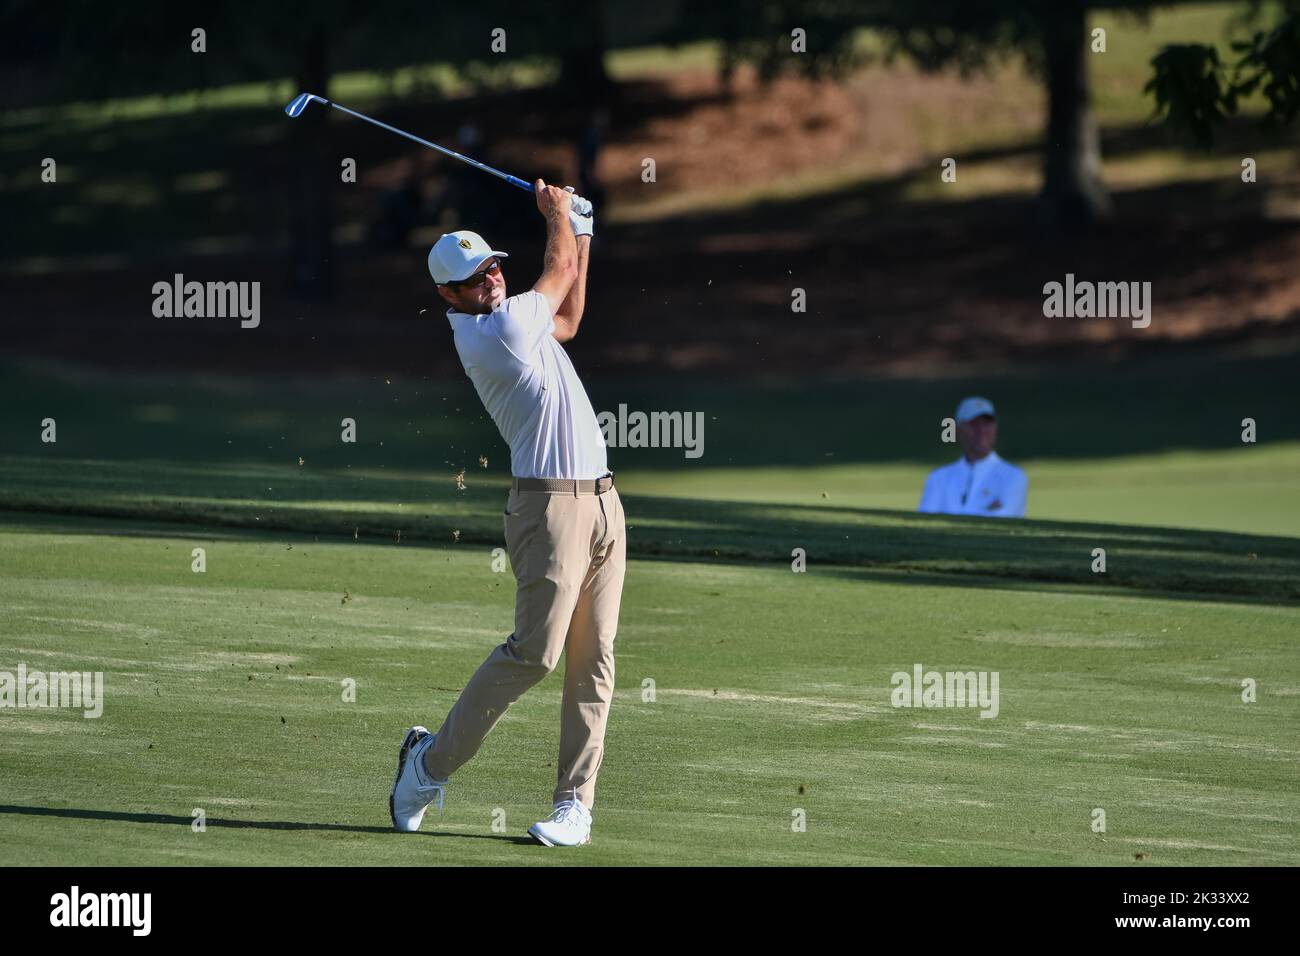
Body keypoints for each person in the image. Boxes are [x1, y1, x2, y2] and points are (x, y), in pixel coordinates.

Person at [390, 179, 623, 848]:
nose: (491, 278)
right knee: (537, 654)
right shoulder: (496, 331)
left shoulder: (519, 316)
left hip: (605, 502)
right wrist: (561, 216)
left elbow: (570, 316)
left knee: (594, 658)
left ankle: (574, 806)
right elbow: (559, 272)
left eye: (492, 265)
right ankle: (427, 767)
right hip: (548, 507)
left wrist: (580, 225)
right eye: (473, 277)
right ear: (449, 296)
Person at [918, 397, 1028, 518]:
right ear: (958, 430)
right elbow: (926, 522)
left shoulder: (1012, 476)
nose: (981, 430)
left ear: (995, 428)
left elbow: (1003, 520)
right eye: (973, 423)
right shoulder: (938, 478)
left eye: (987, 423)